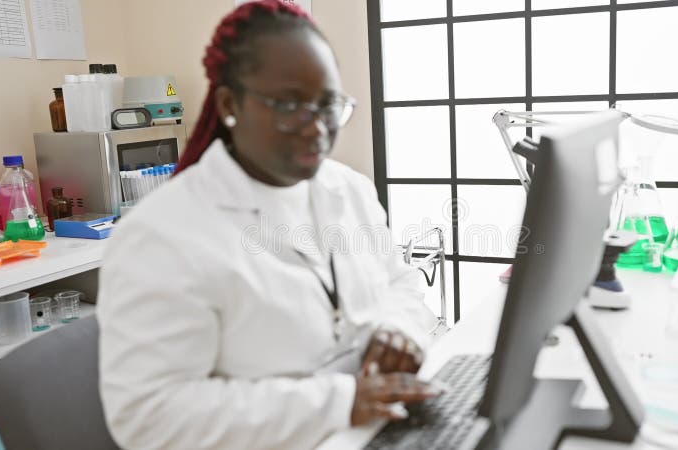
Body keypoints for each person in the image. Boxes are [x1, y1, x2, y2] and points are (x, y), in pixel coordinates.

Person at [97, 1, 439, 449]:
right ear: (229, 104)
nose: (317, 127)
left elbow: (401, 283)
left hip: (369, 431)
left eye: (328, 104)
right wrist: (337, 402)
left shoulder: (348, 190)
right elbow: (148, 415)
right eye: (290, 104)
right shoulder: (162, 235)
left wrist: (401, 329)